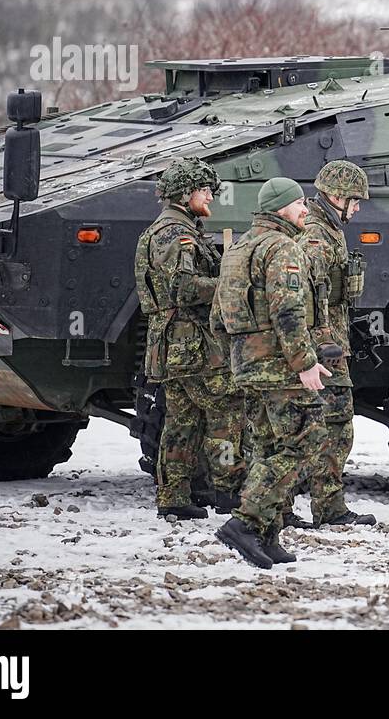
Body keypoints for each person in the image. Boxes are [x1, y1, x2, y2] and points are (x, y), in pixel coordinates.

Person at [214, 177, 333, 568]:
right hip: (280, 366)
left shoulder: (239, 247)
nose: (306, 210)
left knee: (266, 448)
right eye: (300, 204)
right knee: (304, 440)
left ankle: (268, 534)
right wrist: (304, 363)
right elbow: (288, 310)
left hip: (247, 365)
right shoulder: (282, 247)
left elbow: (218, 317)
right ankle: (245, 523)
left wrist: (240, 356)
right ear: (282, 208)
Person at [134, 158, 244, 521]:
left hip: (176, 344)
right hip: (192, 343)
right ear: (185, 194)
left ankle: (174, 497)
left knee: (181, 421)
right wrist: (227, 285)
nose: (210, 194)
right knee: (225, 411)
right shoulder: (175, 234)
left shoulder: (175, 230)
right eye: (204, 189)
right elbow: (181, 289)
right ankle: (229, 492)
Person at [298, 159, 376, 526]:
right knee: (335, 423)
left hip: (327, 341)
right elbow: (308, 296)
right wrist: (326, 340)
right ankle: (328, 508)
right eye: (354, 200)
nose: (357, 208)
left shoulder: (327, 229)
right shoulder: (317, 236)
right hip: (323, 347)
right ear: (335, 196)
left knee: (313, 424)